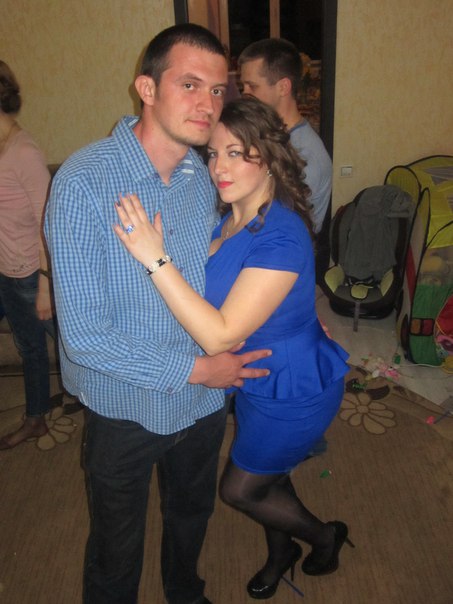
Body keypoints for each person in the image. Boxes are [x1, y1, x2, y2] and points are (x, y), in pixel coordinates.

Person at [45, 24, 271, 604]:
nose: (208, 104)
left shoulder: (205, 176)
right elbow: (85, 338)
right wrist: (200, 370)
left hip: (203, 406)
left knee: (191, 517)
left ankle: (184, 594)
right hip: (126, 407)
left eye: (217, 90)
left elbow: (231, 269)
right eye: (189, 84)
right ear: (146, 88)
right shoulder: (84, 183)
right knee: (116, 550)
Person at [114, 96, 352, 600]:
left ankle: (324, 537)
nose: (219, 167)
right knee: (268, 472)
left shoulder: (281, 234)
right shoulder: (228, 217)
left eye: (237, 153)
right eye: (214, 153)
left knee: (240, 488)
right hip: (253, 379)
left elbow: (219, 334)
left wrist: (155, 258)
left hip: (293, 387)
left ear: (268, 156)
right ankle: (281, 552)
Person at [237, 38, 333, 283]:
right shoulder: (270, 136)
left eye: (252, 86)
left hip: (280, 269)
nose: (244, 94)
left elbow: (278, 228)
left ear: (283, 87)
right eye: (242, 86)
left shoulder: (305, 154)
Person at [0, 60, 55, 450]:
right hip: (6, 271)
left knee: (71, 350)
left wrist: (45, 287)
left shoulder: (23, 152)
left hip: (31, 275)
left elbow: (48, 221)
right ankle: (37, 418)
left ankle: (110, 415)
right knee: (29, 348)